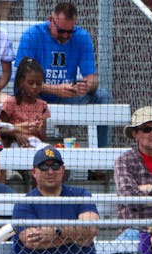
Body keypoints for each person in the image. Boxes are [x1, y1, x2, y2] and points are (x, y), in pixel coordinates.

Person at [15, 1, 112, 146]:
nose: (66, 35)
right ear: (50, 21)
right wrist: (55, 89)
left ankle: (102, 157)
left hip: (68, 95)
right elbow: (21, 81)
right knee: (24, 93)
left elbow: (92, 78)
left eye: (70, 31)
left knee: (102, 96)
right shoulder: (32, 35)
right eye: (61, 31)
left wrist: (85, 87)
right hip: (36, 95)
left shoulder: (82, 37)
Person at [0, 56, 49, 148]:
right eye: (30, 82)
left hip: (36, 144)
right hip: (15, 144)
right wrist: (15, 133)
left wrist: (40, 130)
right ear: (20, 82)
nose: (34, 87)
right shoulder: (11, 103)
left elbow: (43, 137)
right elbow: (0, 129)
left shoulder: (43, 105)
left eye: (38, 84)